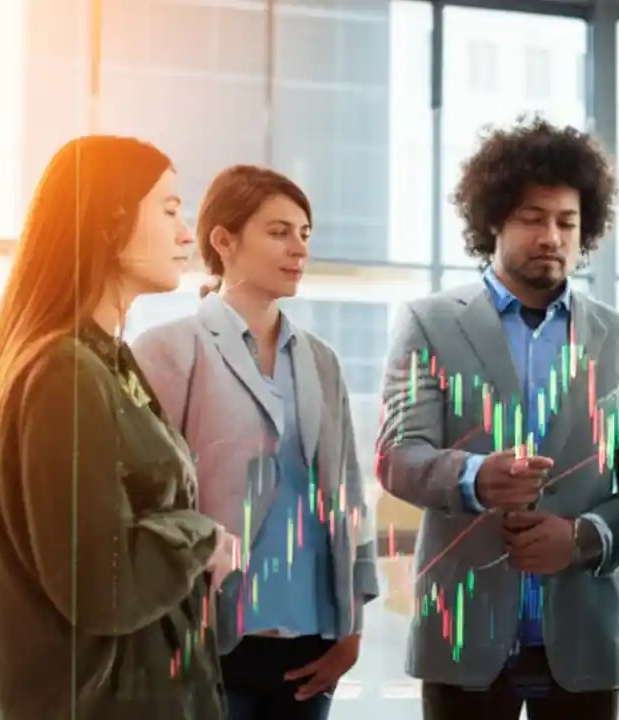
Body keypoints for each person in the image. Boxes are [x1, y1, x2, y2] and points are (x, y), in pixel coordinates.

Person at [375, 115, 619, 720]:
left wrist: (586, 536)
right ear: (493, 220)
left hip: (583, 631)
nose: (552, 236)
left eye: (567, 222)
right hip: (463, 630)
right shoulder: (428, 323)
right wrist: (475, 477)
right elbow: (399, 455)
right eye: (533, 218)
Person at [0, 135, 237, 719]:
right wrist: (203, 538)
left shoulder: (105, 360)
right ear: (111, 223)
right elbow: (103, 582)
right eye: (168, 211)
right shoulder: (66, 371)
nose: (187, 234)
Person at [131, 165, 378, 720]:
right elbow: (146, 502)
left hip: (312, 636)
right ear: (223, 240)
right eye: (279, 231)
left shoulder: (319, 360)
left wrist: (353, 622)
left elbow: (349, 493)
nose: (299, 249)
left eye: (305, 234)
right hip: (210, 634)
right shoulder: (169, 350)